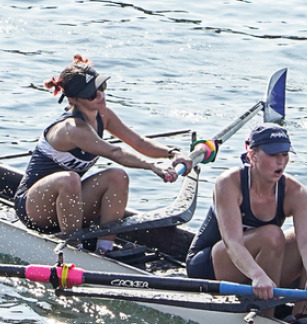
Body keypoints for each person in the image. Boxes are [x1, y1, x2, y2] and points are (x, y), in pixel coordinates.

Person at [13, 57, 186, 239]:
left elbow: (139, 142)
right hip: (34, 209)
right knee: (69, 179)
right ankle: (73, 246)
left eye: (101, 87)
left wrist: (172, 153)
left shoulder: (104, 115)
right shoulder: (72, 129)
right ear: (73, 99)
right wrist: (153, 166)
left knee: (117, 177)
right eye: (91, 94)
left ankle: (105, 248)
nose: (100, 96)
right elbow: (115, 152)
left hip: (68, 206)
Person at [185, 123, 307, 314]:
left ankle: (300, 313)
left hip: (263, 264)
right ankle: (267, 316)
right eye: (273, 155)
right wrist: (257, 275)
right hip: (212, 265)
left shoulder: (297, 192)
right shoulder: (228, 183)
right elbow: (232, 243)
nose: (281, 162)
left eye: (284, 154)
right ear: (253, 156)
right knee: (272, 235)